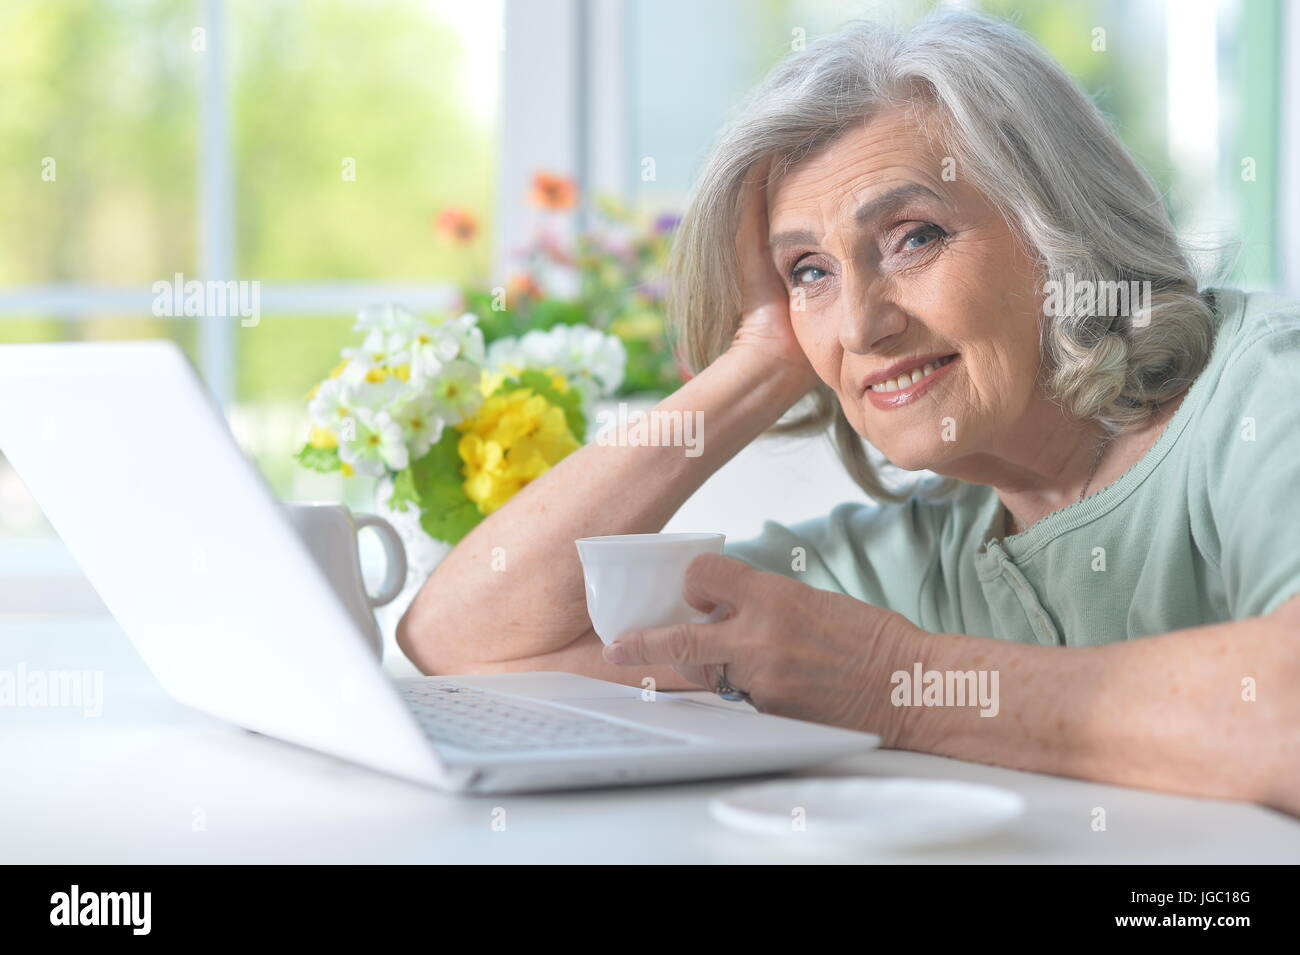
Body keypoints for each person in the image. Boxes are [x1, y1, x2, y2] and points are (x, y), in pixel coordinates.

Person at [398, 11, 1300, 816]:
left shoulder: (1265, 386)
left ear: (1060, 232)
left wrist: (896, 685)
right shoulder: (913, 556)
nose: (863, 325)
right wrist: (758, 363)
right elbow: (466, 646)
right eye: (810, 273)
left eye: (915, 236)